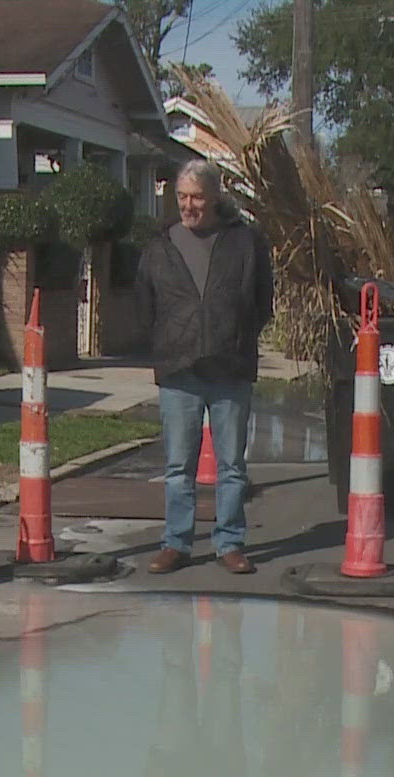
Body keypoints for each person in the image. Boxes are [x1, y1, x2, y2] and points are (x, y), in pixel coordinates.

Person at [132, 159, 274, 574]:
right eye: (182, 197)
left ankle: (229, 542)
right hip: (179, 369)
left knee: (232, 465)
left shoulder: (245, 241)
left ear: (214, 197)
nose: (189, 205)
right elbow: (144, 303)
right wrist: (163, 340)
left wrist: (236, 334)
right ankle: (176, 542)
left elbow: (262, 301)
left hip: (230, 367)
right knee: (179, 467)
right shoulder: (159, 246)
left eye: (196, 197)